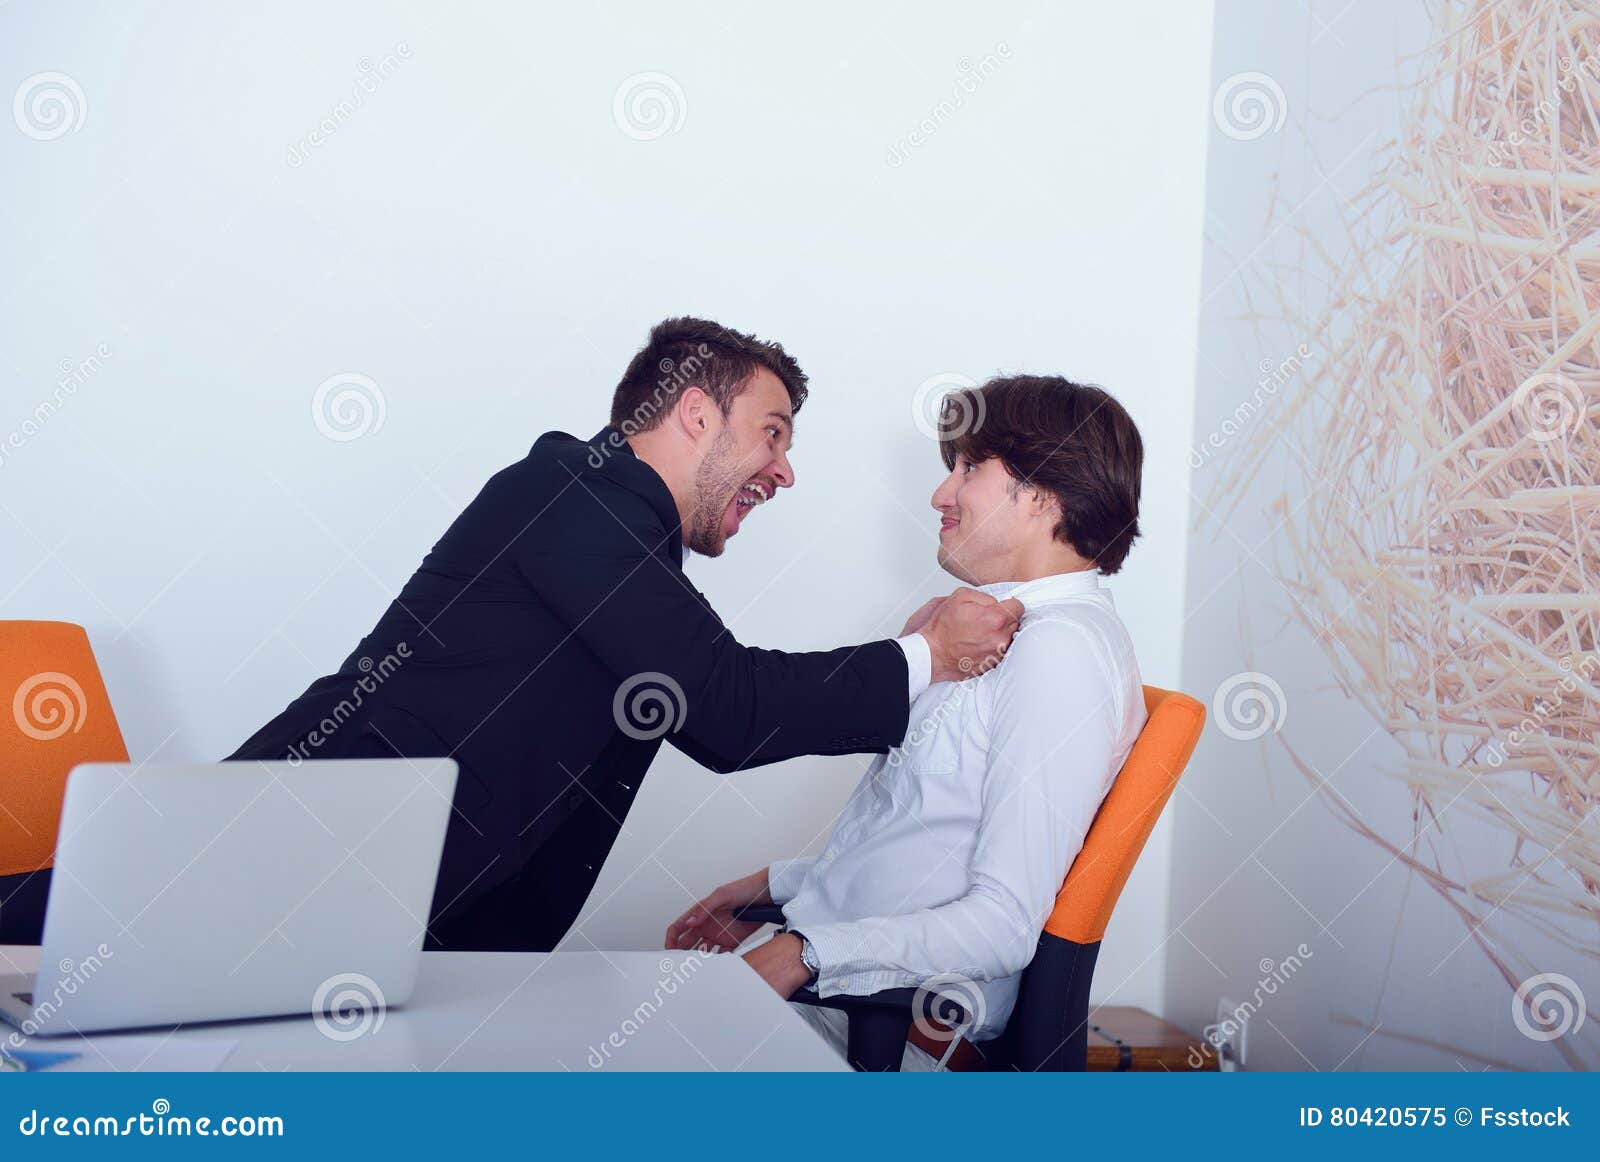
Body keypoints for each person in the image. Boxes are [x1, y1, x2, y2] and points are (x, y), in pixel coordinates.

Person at [229, 317, 1021, 952]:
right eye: (773, 433)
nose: (785, 471)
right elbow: (726, 706)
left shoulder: (613, 532)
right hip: (278, 877)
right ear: (695, 411)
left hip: (371, 919)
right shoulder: (571, 497)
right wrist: (926, 657)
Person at [666, 374, 1147, 1069]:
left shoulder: (1059, 651)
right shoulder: (1000, 630)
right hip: (842, 1010)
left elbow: (1004, 924)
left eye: (970, 467)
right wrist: (772, 886)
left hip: (881, 1029)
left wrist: (804, 951)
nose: (940, 494)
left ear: (1044, 494)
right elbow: (926, 851)